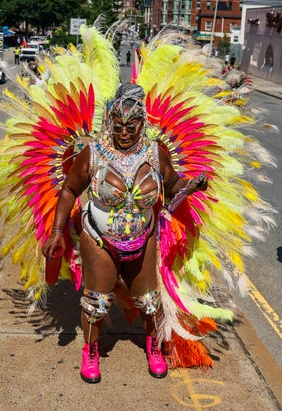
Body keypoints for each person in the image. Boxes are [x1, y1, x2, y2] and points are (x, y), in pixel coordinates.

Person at [40, 83, 208, 384]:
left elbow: (171, 188)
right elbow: (68, 190)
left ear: (142, 123)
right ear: (109, 123)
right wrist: (57, 231)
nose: (125, 132)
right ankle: (90, 351)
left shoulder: (155, 153)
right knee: (96, 303)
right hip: (99, 240)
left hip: (144, 237)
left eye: (132, 125)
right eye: (118, 126)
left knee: (150, 301)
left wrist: (191, 184)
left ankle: (153, 347)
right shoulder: (93, 154)